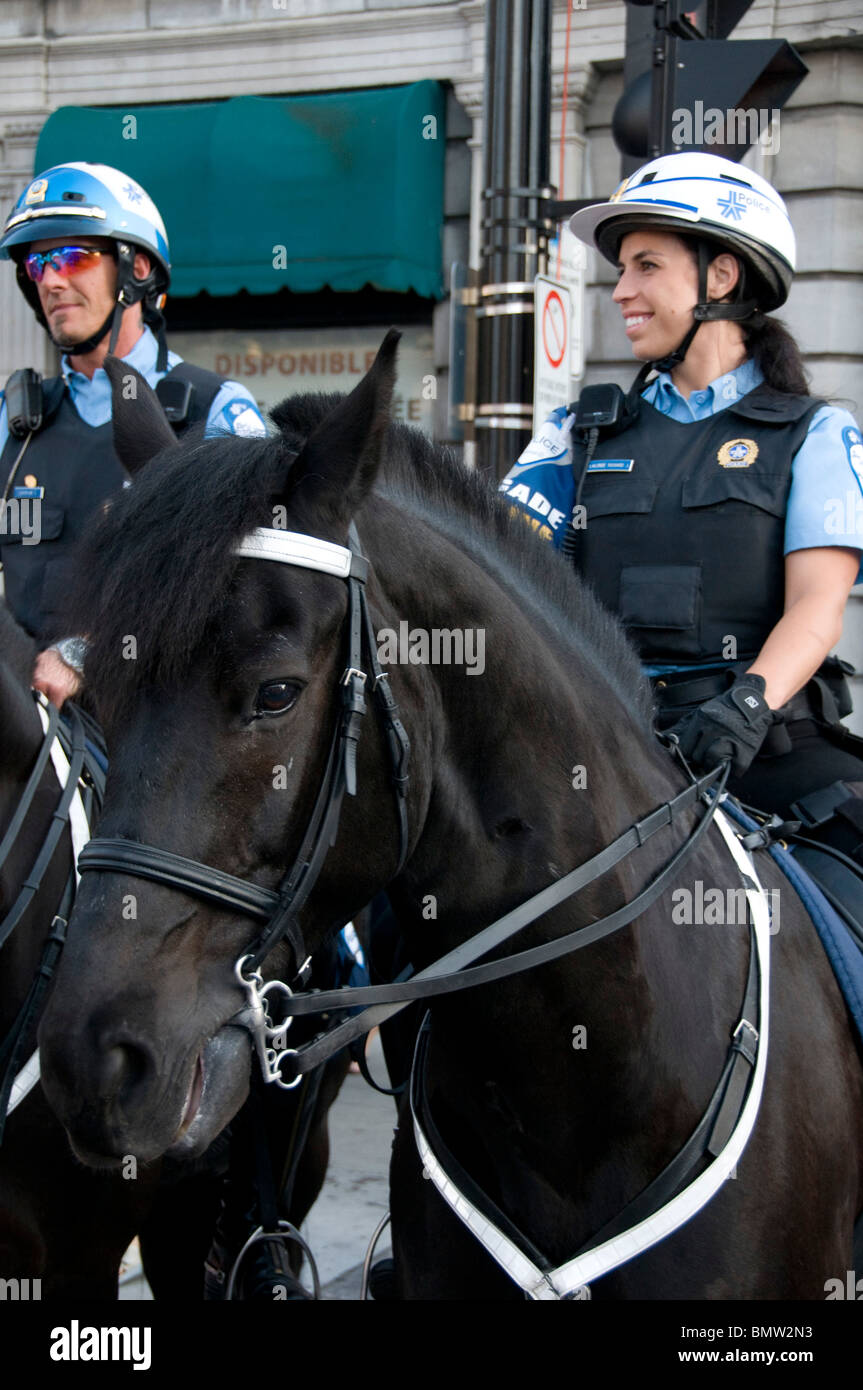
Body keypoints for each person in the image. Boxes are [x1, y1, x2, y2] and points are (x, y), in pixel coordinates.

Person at [500, 151, 863, 867]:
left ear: (720, 277)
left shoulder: (815, 434)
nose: (620, 291)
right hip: (599, 744)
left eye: (645, 266)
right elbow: (493, 549)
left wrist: (746, 706)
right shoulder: (579, 432)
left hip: (762, 745)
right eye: (620, 269)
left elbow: (816, 609)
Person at [0, 161, 267, 706]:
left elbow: (256, 582)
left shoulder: (215, 411)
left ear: (137, 268)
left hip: (159, 738)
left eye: (73, 256)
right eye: (37, 263)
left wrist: (86, 651)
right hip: (23, 733)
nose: (52, 280)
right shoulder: (11, 421)